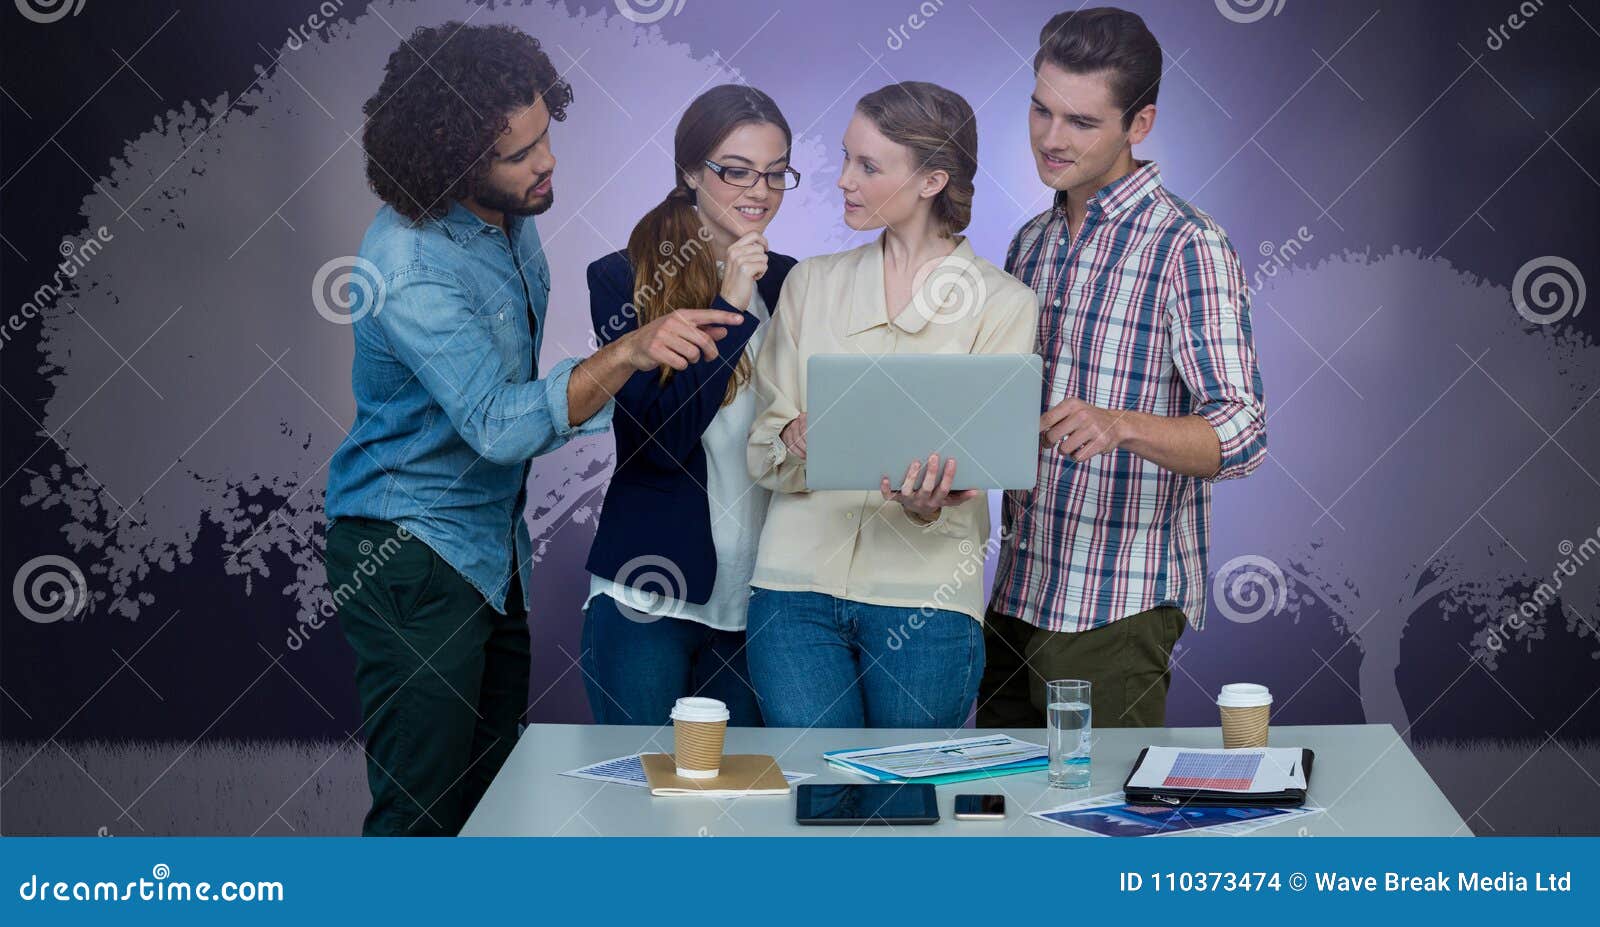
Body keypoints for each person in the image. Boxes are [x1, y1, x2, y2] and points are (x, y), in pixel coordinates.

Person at [324, 23, 745, 836]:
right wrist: (628, 353)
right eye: (519, 155)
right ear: (451, 160)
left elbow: (524, 400)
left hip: (493, 546)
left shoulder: (507, 216)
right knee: (421, 812)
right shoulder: (411, 265)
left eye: (545, 136)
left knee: (493, 799)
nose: (546, 162)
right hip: (412, 549)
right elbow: (495, 422)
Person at [980, 8, 1268, 731]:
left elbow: (1243, 433)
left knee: (1100, 803)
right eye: (1041, 110)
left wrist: (1122, 426)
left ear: (1139, 124)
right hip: (1015, 591)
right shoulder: (1031, 242)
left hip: (1117, 602)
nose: (1051, 138)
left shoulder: (1188, 246)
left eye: (1081, 121)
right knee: (1003, 799)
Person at [744, 81, 1040, 729]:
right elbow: (762, 452)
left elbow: (985, 462)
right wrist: (792, 438)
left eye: (868, 166)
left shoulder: (1004, 305)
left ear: (932, 180)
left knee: (906, 788)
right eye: (845, 157)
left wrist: (928, 504)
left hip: (927, 600)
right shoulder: (811, 284)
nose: (843, 180)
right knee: (818, 783)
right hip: (794, 594)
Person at [581, 85, 801, 727]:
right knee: (643, 780)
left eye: (776, 172)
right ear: (689, 173)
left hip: (758, 599)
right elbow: (660, 439)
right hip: (648, 594)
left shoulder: (792, 281)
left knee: (745, 787)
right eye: (736, 171)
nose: (759, 191)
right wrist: (730, 304)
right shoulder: (622, 277)